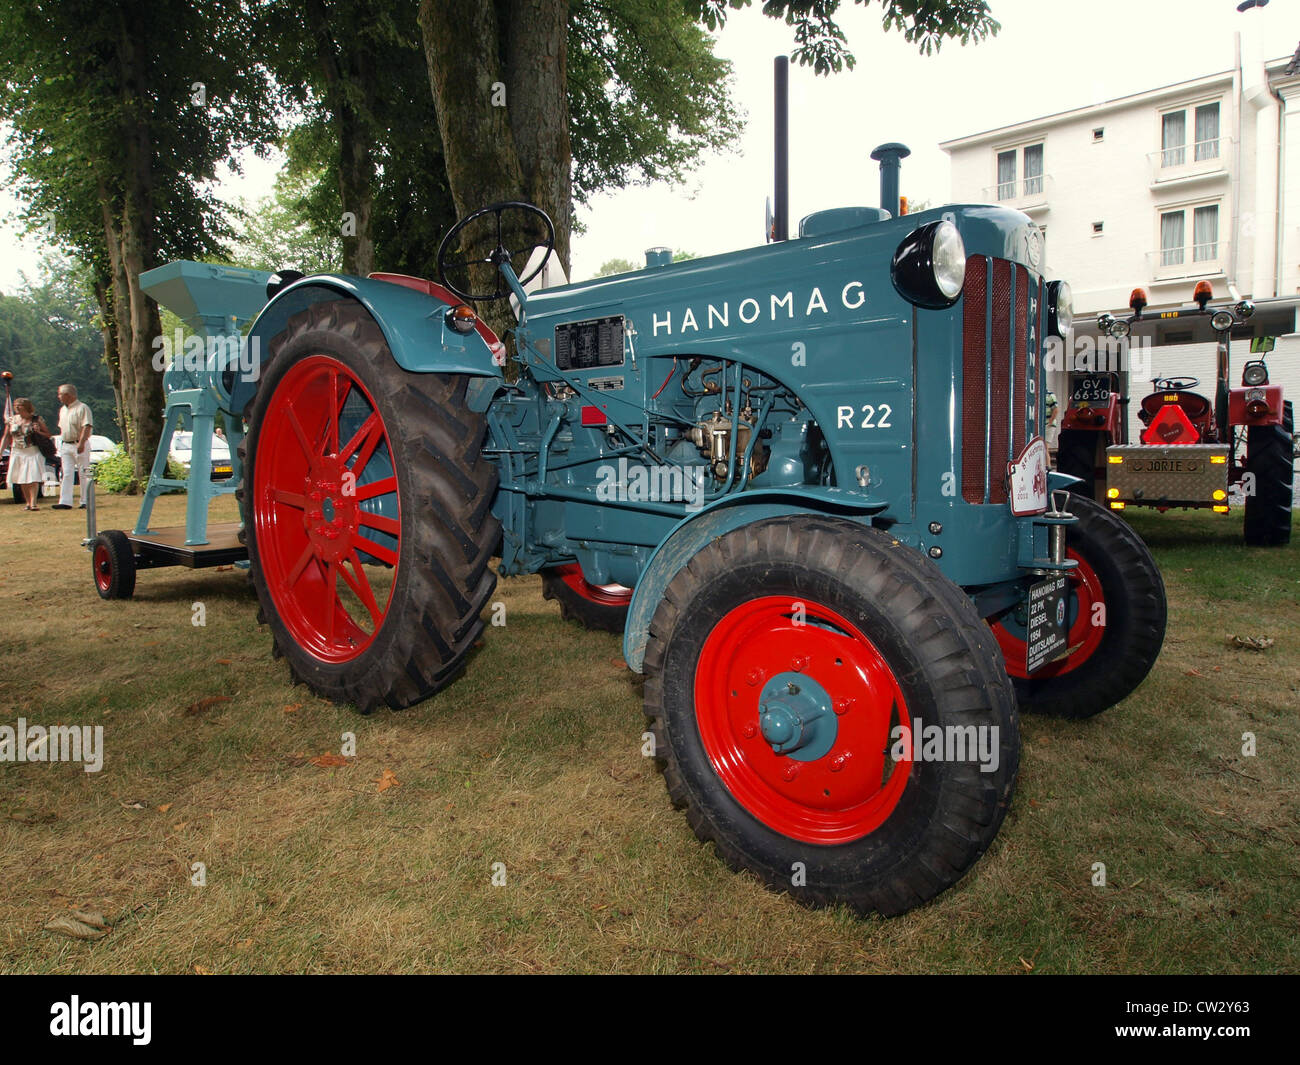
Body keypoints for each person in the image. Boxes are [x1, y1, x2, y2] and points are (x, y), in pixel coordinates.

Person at [1, 397, 50, 510]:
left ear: (27, 407)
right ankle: (27, 502)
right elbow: (7, 436)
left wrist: (38, 431)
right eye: (15, 405)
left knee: (32, 478)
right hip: (17, 451)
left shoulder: (36, 419)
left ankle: (33, 503)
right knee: (22, 478)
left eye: (20, 405)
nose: (17, 407)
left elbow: (48, 434)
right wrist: (1, 450)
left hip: (32, 450)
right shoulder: (12, 420)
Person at [54, 383, 92, 510]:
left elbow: (86, 426)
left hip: (78, 443)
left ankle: (85, 500)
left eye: (60, 394)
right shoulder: (63, 410)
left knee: (83, 472)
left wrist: (81, 443)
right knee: (67, 473)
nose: (58, 397)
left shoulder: (82, 408)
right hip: (66, 444)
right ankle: (65, 501)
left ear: (67, 395)